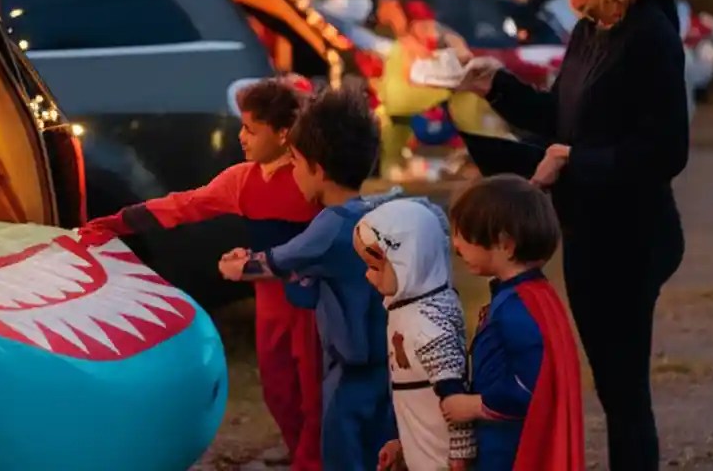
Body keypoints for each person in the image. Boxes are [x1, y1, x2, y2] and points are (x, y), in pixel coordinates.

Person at [457, 0, 689, 470]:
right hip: (588, 231)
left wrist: (574, 162)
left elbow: (667, 152)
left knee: (623, 393)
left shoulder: (651, 39)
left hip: (632, 238)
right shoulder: (591, 31)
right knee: (611, 383)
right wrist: (495, 85)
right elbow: (559, 114)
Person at [78, 77, 323, 471]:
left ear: (282, 133)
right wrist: (115, 223)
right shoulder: (243, 180)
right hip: (271, 303)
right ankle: (301, 451)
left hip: (314, 304)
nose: (241, 137)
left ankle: (313, 460)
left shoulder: (311, 177)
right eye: (242, 126)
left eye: (251, 129)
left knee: (315, 391)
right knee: (279, 390)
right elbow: (184, 205)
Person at [217, 84, 396, 471]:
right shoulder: (378, 211)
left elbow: (278, 261)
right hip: (385, 361)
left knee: (340, 448)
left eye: (296, 162)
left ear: (317, 168)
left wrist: (236, 265)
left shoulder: (330, 224)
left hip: (349, 364)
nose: (292, 171)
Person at [440, 175, 584, 471]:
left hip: (509, 447)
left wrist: (473, 405)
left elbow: (529, 385)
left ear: (505, 243)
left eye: (464, 234)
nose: (456, 245)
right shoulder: (532, 296)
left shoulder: (517, 307)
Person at [352, 198, 475, 471]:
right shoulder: (407, 310)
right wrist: (404, 444)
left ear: (408, 262)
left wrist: (461, 452)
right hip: (423, 448)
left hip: (440, 455)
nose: (368, 277)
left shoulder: (426, 323)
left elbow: (453, 392)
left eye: (375, 267)